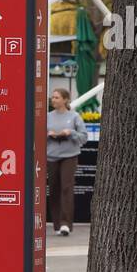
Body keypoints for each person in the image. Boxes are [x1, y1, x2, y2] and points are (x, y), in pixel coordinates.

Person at [46, 88, 87, 235]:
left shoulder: (74, 117)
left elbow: (83, 137)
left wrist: (71, 133)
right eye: (53, 97)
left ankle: (65, 224)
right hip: (51, 157)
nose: (53, 100)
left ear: (65, 100)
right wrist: (48, 134)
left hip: (69, 156)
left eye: (56, 97)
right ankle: (57, 225)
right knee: (54, 189)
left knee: (66, 188)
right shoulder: (47, 117)